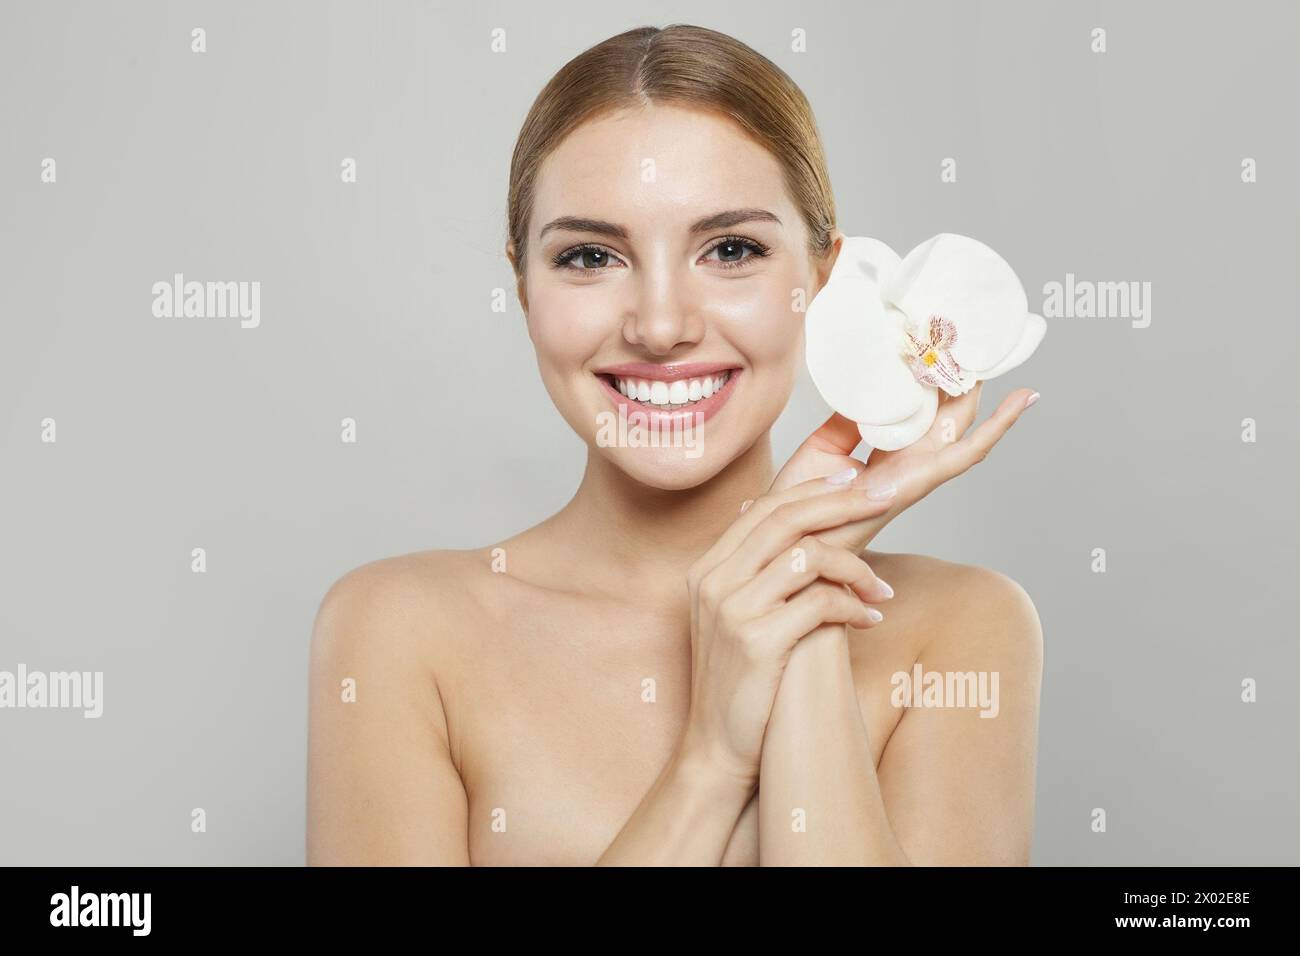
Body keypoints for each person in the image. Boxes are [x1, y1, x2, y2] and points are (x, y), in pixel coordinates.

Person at [307, 23, 1043, 866]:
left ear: (824, 280)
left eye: (731, 250)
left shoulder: (963, 631)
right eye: (590, 256)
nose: (661, 326)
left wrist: (799, 598)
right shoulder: (399, 633)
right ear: (522, 286)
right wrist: (713, 757)